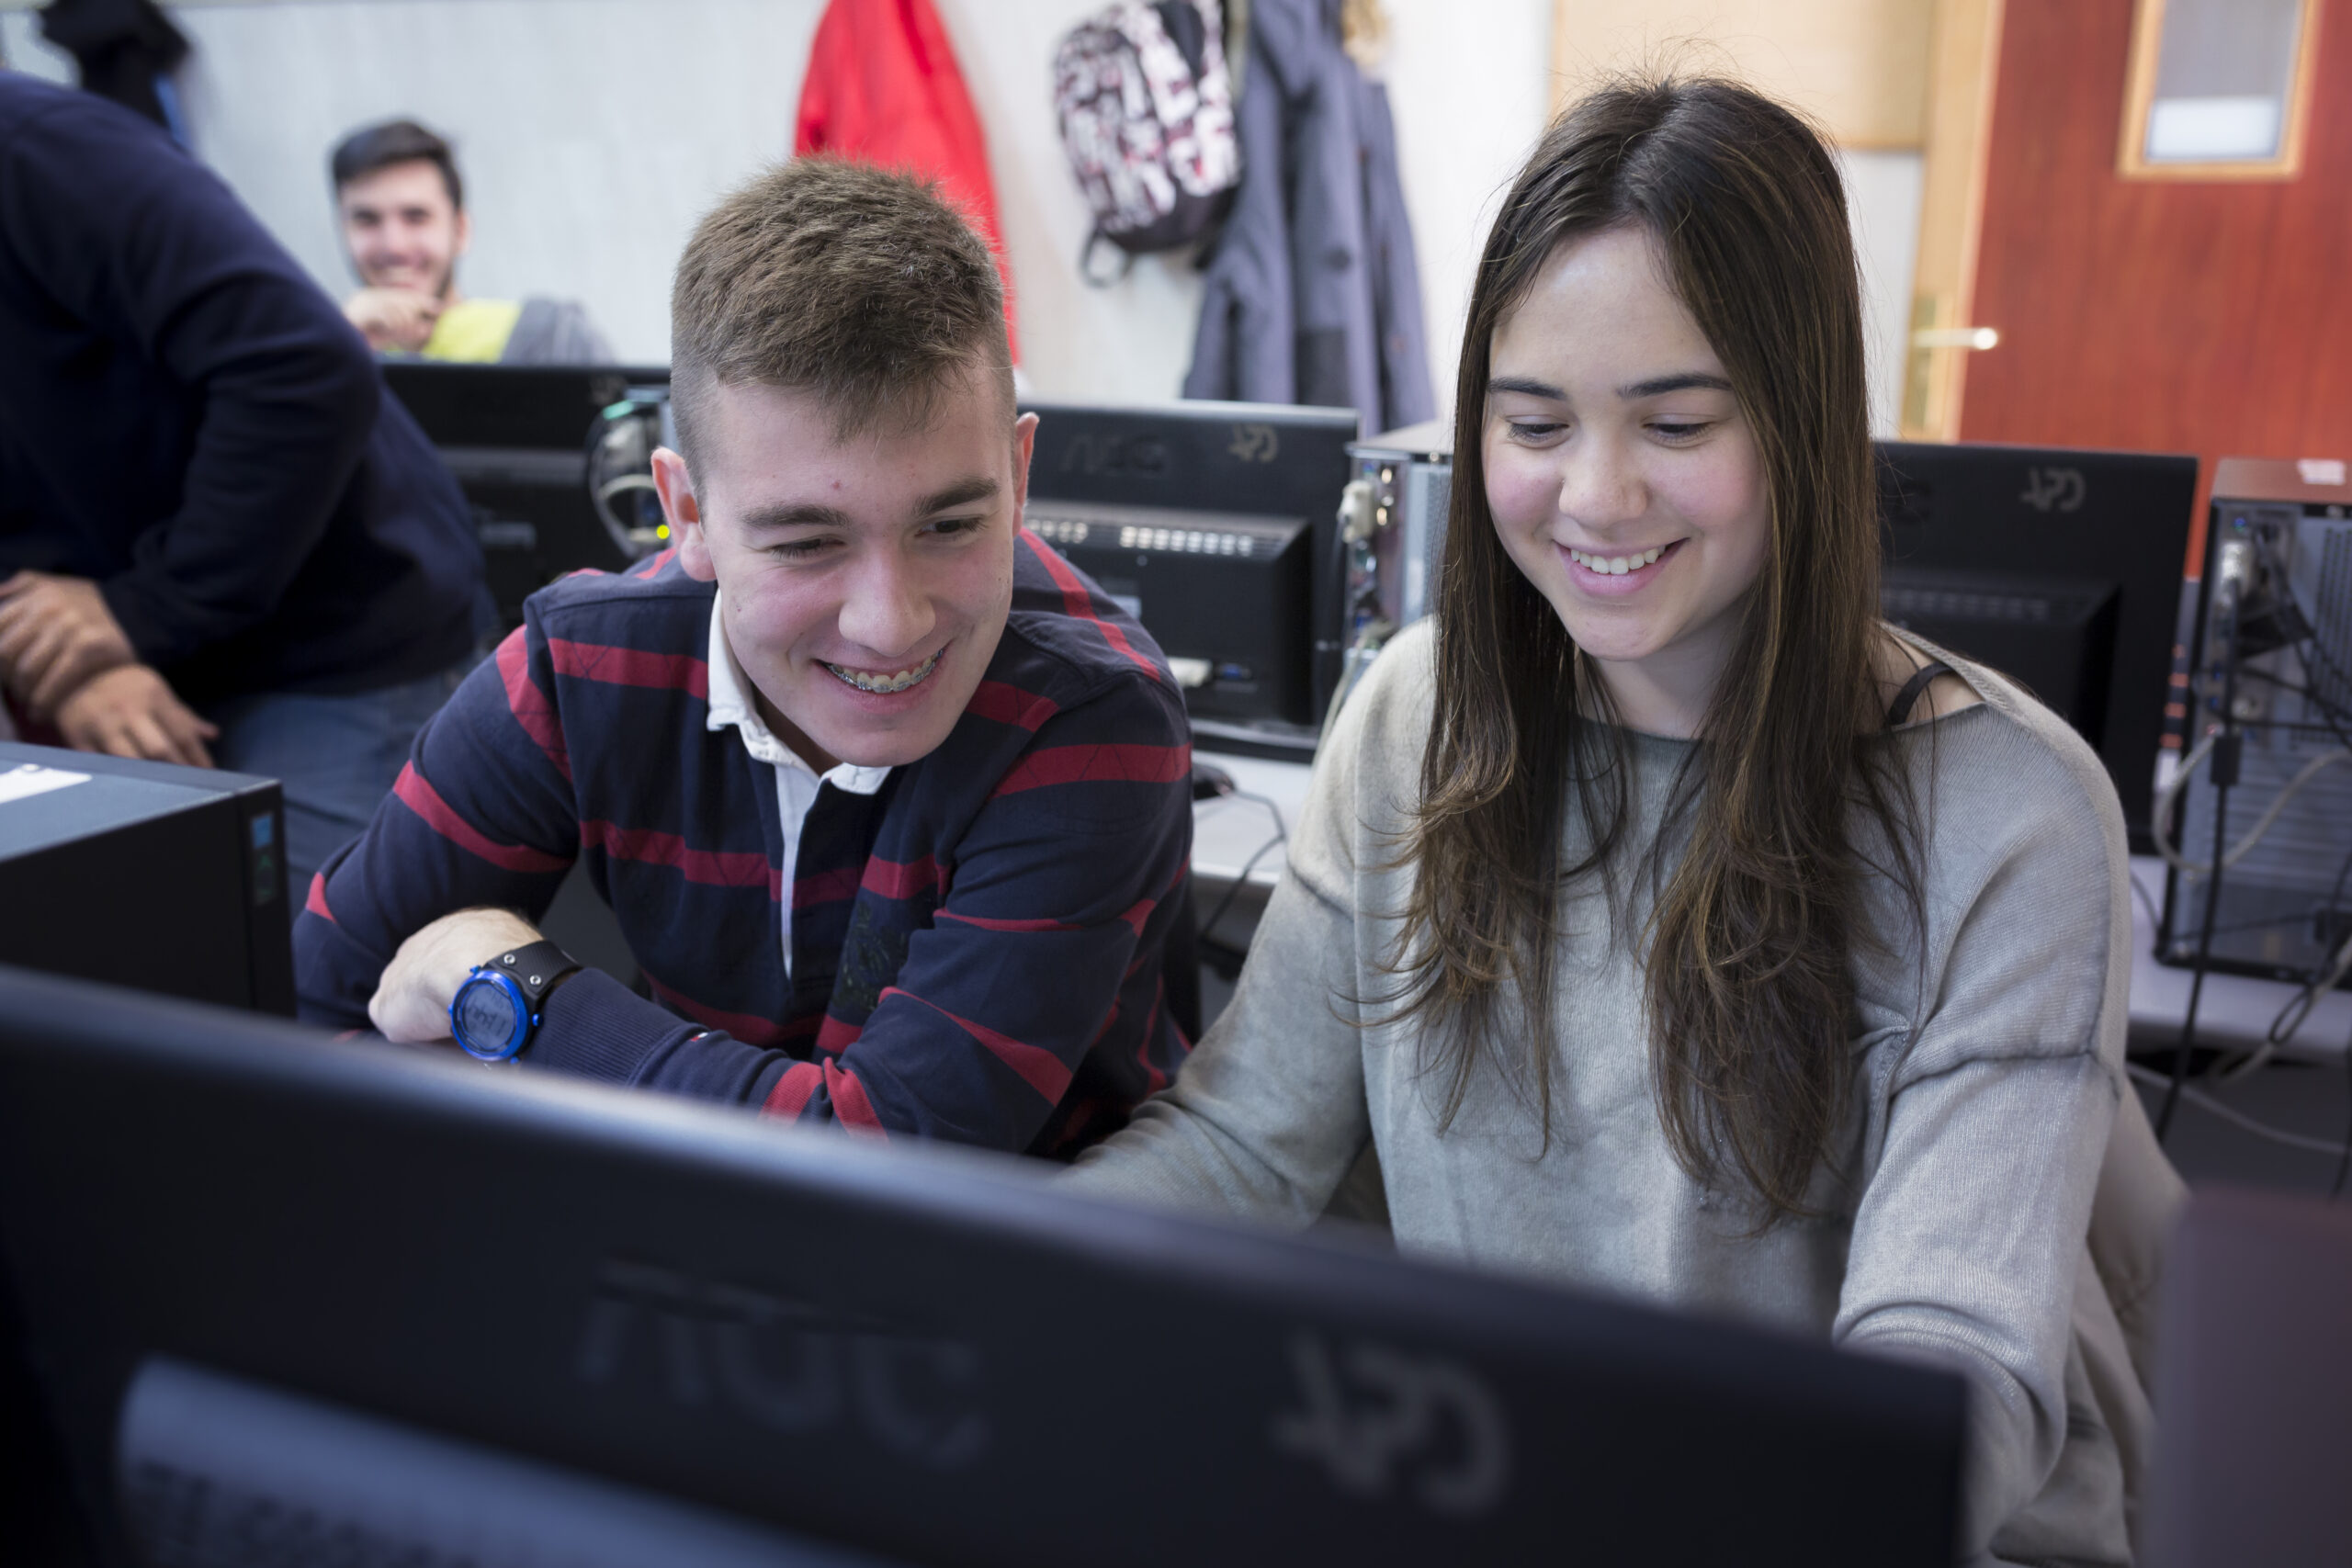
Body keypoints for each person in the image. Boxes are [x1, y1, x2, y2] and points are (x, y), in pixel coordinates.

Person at [1068, 78, 2177, 1565]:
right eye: (1535, 422)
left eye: (1675, 420)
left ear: (1801, 421)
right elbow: (1246, 1154)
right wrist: (977, 1302)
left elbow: (1945, 1368)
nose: (1594, 493)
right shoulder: (1416, 717)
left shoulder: (2008, 816)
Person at [297, 158, 1195, 1156]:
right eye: (806, 542)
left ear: (1018, 477)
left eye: (948, 523)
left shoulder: (1091, 710)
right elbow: (313, 998)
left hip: (1008, 1274)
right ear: (685, 512)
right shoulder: (579, 669)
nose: (889, 623)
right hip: (673, 1226)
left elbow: (894, 1161)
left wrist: (519, 998)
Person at [0, 72, 488, 891]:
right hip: (156, 650)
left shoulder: (41, 152)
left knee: (319, 993)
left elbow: (303, 372)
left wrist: (141, 610)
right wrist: (72, 656)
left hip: (335, 650)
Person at [331, 118, 613, 364]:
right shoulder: (328, 355)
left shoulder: (552, 341)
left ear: (461, 230)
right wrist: (338, 344)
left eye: (416, 217)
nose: (394, 246)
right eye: (367, 220)